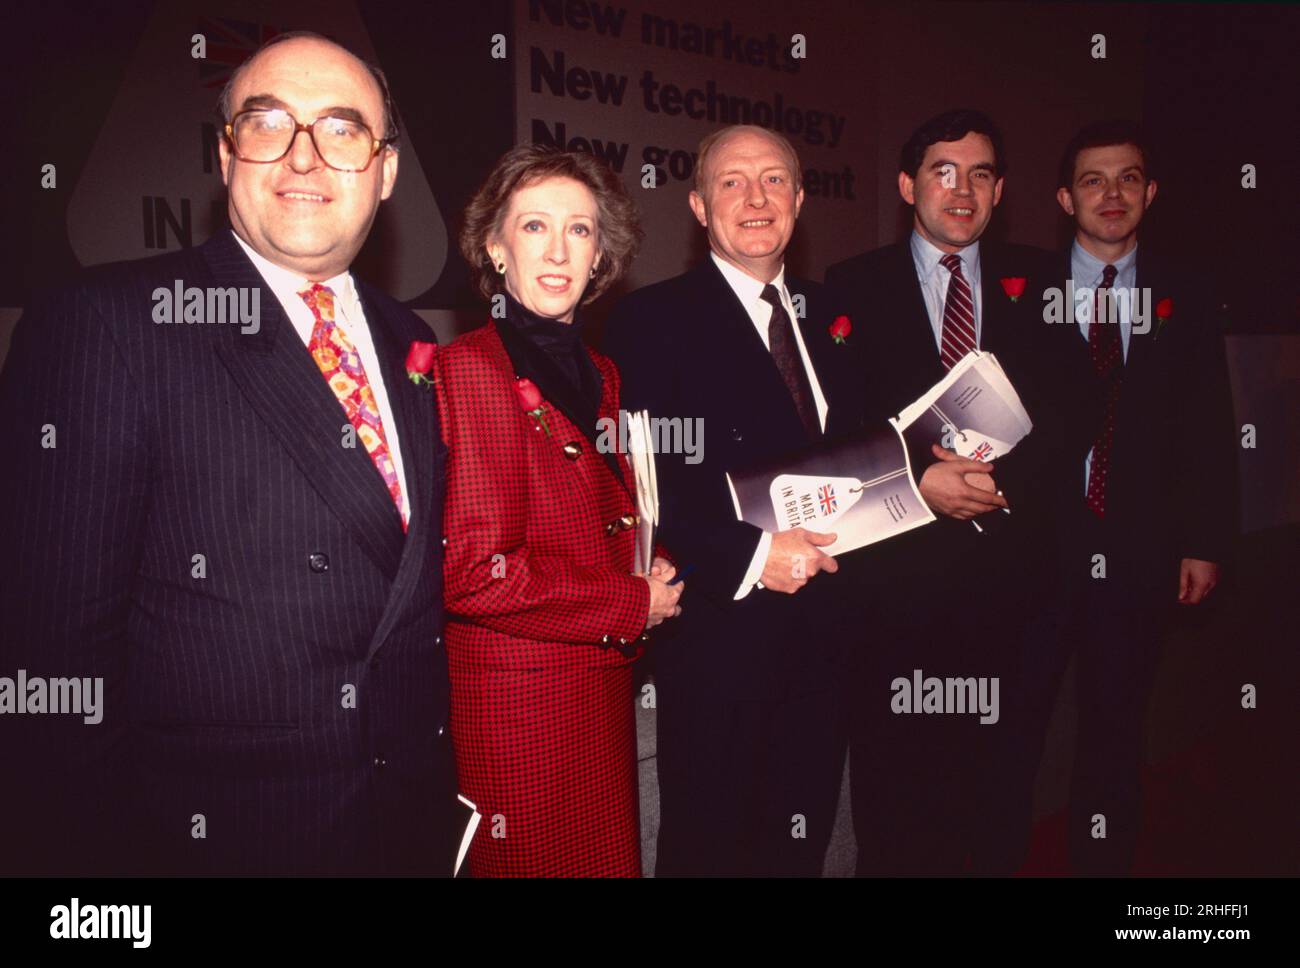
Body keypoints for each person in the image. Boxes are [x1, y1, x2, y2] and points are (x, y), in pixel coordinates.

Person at [0, 32, 459, 874]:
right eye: (268, 123)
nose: (303, 157)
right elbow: (50, 669)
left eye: (342, 130)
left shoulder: (412, 342)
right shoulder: (108, 327)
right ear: (225, 155)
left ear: (386, 171)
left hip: (404, 829)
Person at [824, 108, 1097, 874]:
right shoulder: (852, 286)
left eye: (981, 174)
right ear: (909, 185)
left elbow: (1078, 408)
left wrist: (997, 482)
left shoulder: (1044, 279)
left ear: (1001, 189)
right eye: (944, 171)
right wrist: (921, 481)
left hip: (1016, 591)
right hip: (897, 592)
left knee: (999, 786)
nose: (963, 189)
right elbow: (839, 430)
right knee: (896, 788)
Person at [605, 125, 863, 876]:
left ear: (801, 199)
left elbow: (872, 449)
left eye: (775, 180)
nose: (756, 198)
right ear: (697, 204)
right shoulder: (648, 320)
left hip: (830, 634)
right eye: (732, 182)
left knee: (800, 840)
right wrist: (754, 556)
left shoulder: (839, 317)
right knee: (710, 846)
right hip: (723, 639)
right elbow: (648, 483)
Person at [435, 144, 682, 877]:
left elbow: (594, 514)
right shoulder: (474, 370)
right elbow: (477, 576)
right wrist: (630, 599)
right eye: (534, 226)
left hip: (598, 694)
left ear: (602, 254)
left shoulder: (599, 372)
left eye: (579, 230)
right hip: (522, 715)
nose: (558, 249)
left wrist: (641, 558)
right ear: (495, 248)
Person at [1008, 120, 1237, 873]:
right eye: (1096, 181)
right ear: (1065, 198)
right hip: (1035, 552)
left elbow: (1208, 424)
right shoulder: (1017, 289)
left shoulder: (1188, 295)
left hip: (1138, 552)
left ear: (1151, 192)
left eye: (1129, 178)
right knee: (1013, 734)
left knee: (1115, 737)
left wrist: (1204, 540)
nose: (1113, 195)